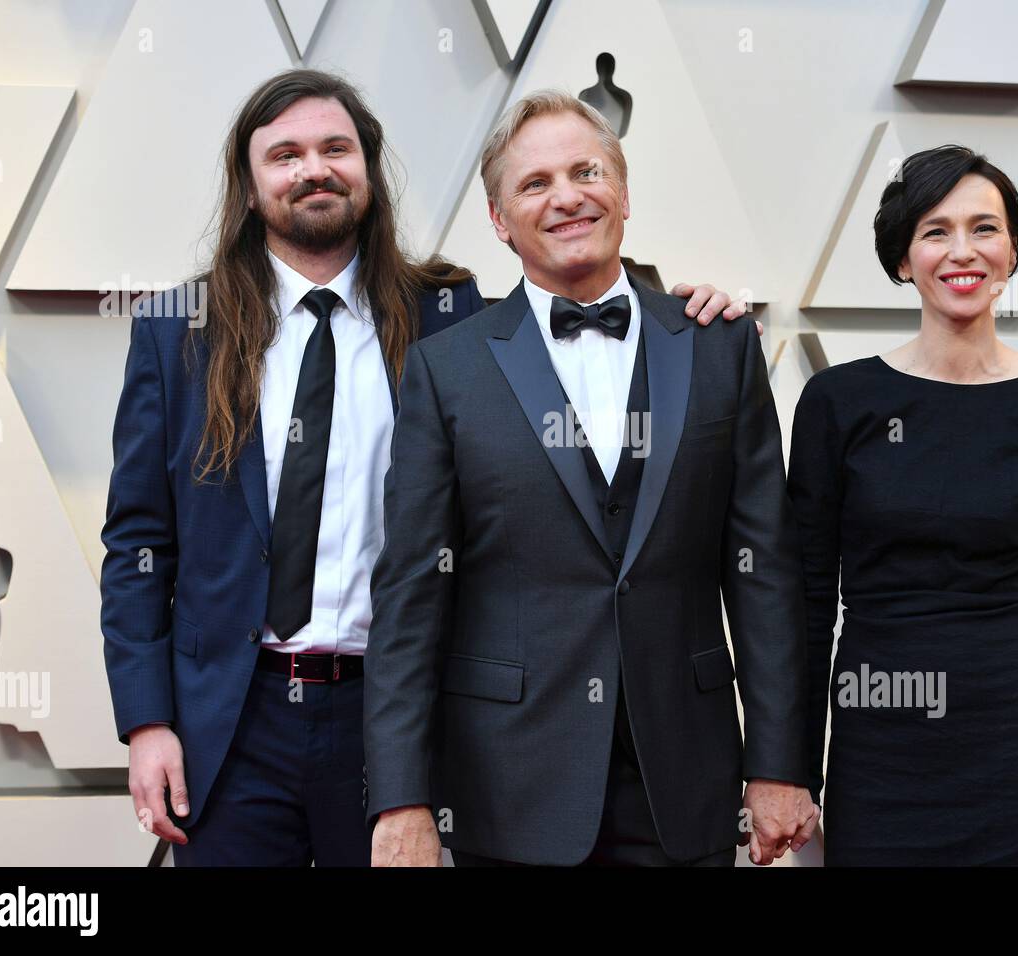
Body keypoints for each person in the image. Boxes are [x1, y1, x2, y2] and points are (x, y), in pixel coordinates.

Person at [101, 69, 740, 866]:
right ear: (250, 180)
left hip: (403, 716)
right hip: (229, 721)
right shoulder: (175, 331)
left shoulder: (449, 313)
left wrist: (683, 310)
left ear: (368, 168)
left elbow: (565, 309)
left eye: (337, 148)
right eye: (285, 154)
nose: (314, 169)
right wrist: (148, 721)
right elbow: (137, 546)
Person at [364, 90, 817, 867]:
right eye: (535, 183)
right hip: (508, 784)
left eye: (587, 171)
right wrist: (400, 798)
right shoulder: (447, 369)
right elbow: (411, 592)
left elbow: (765, 574)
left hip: (686, 781)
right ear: (500, 220)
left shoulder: (719, 347)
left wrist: (779, 765)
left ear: (625, 192)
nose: (567, 196)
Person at [787, 144, 1018, 866]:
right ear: (903, 258)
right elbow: (808, 602)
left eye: (985, 228)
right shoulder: (838, 404)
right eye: (935, 231)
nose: (962, 251)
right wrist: (790, 772)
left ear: (1013, 251)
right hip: (881, 754)